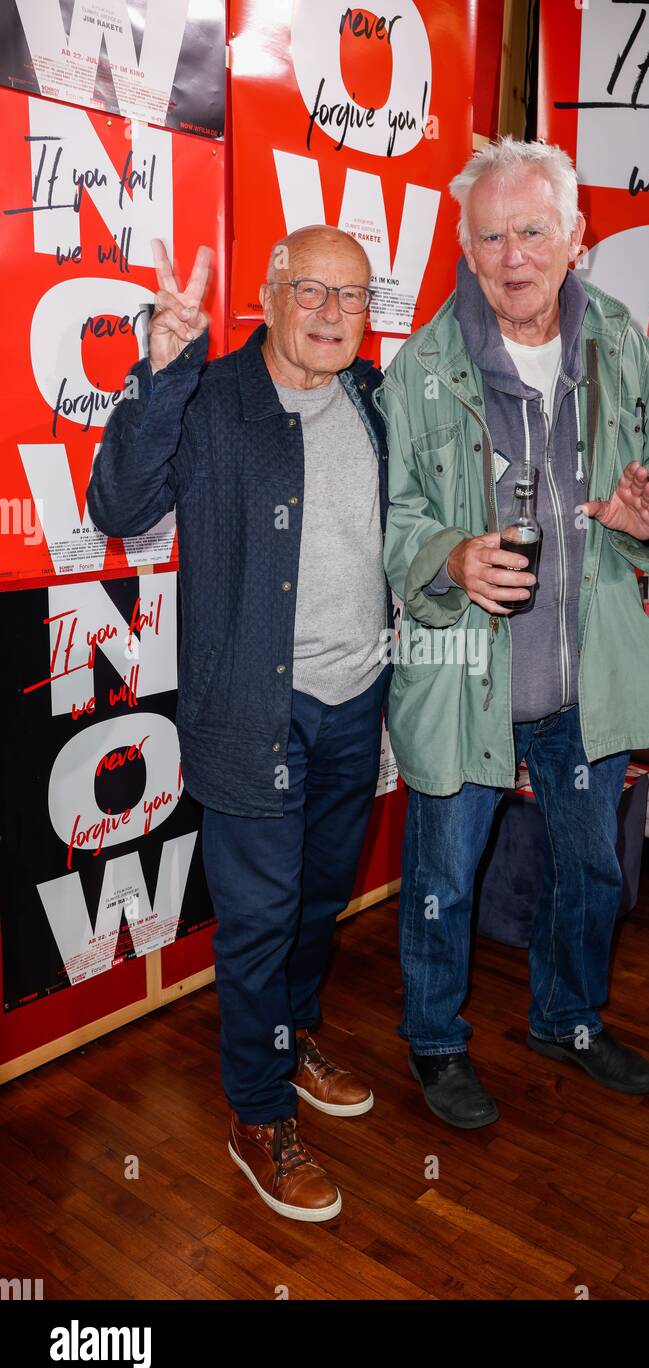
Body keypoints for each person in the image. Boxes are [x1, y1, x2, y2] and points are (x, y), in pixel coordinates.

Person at [377, 137, 649, 1129]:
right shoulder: (423, 367)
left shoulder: (624, 343)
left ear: (576, 237)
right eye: (492, 235)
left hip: (587, 673)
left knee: (592, 867)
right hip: (463, 674)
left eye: (533, 230)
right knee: (442, 875)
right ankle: (436, 1041)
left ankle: (566, 1018)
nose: (513, 254)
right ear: (467, 247)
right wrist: (449, 555)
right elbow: (390, 521)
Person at [88, 226, 392, 1220]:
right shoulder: (212, 396)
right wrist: (163, 365)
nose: (332, 313)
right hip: (255, 713)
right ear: (266, 294)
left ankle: (291, 1036)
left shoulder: (374, 397)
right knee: (258, 925)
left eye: (351, 295)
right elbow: (118, 503)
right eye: (310, 289)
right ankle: (258, 1113)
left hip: (357, 704)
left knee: (316, 901)